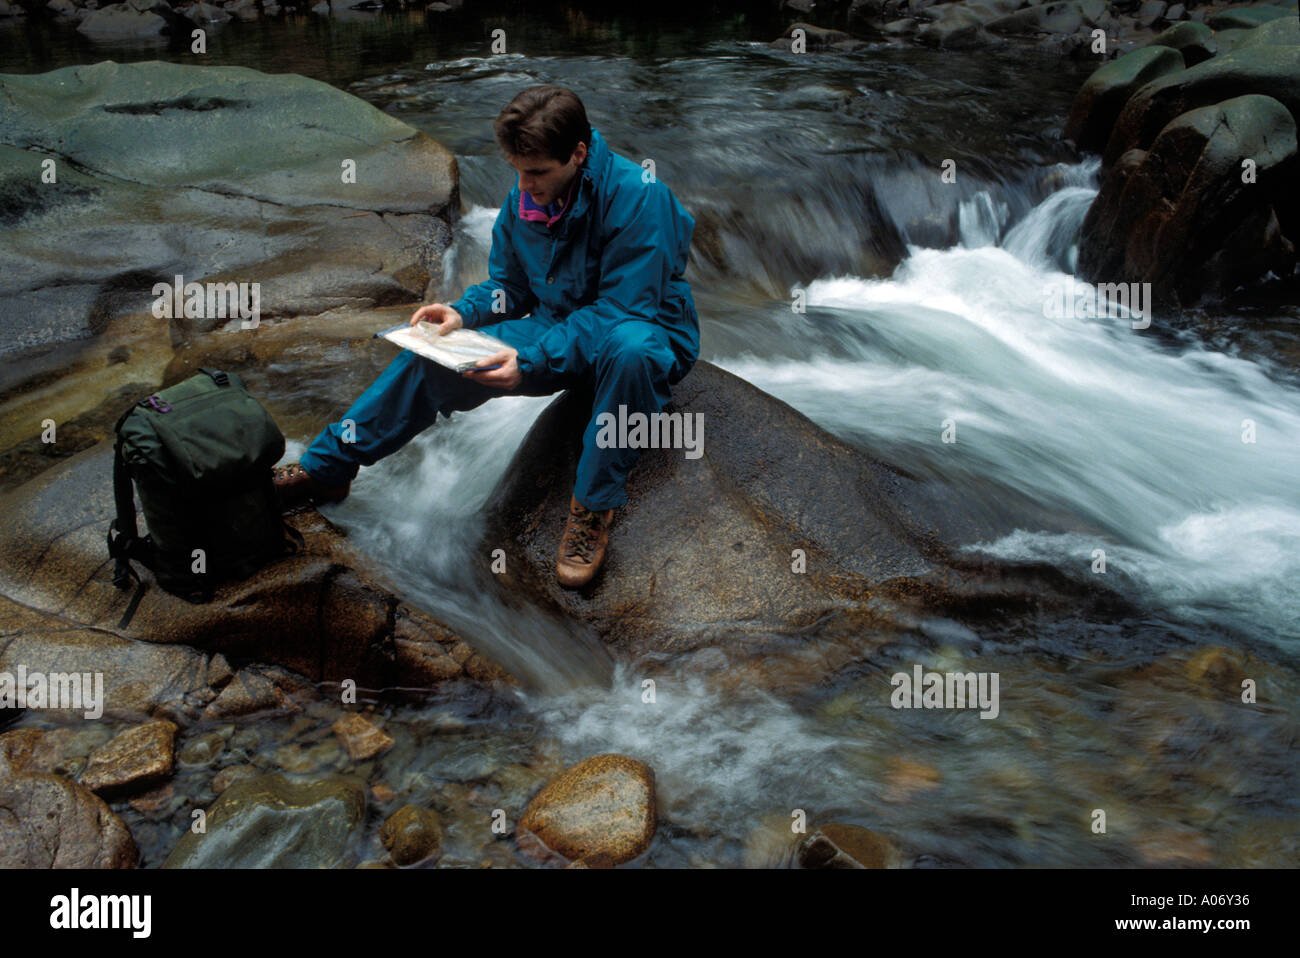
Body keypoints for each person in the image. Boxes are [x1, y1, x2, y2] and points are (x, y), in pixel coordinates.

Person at [273, 85, 700, 588]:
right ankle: (328, 467)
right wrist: (463, 312)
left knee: (633, 353)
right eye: (517, 170)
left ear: (578, 153)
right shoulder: (528, 197)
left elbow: (622, 310)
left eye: (538, 172)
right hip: (557, 324)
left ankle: (592, 509)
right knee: (430, 356)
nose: (525, 185)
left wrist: (533, 359)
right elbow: (511, 287)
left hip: (639, 329)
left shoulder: (639, 197)